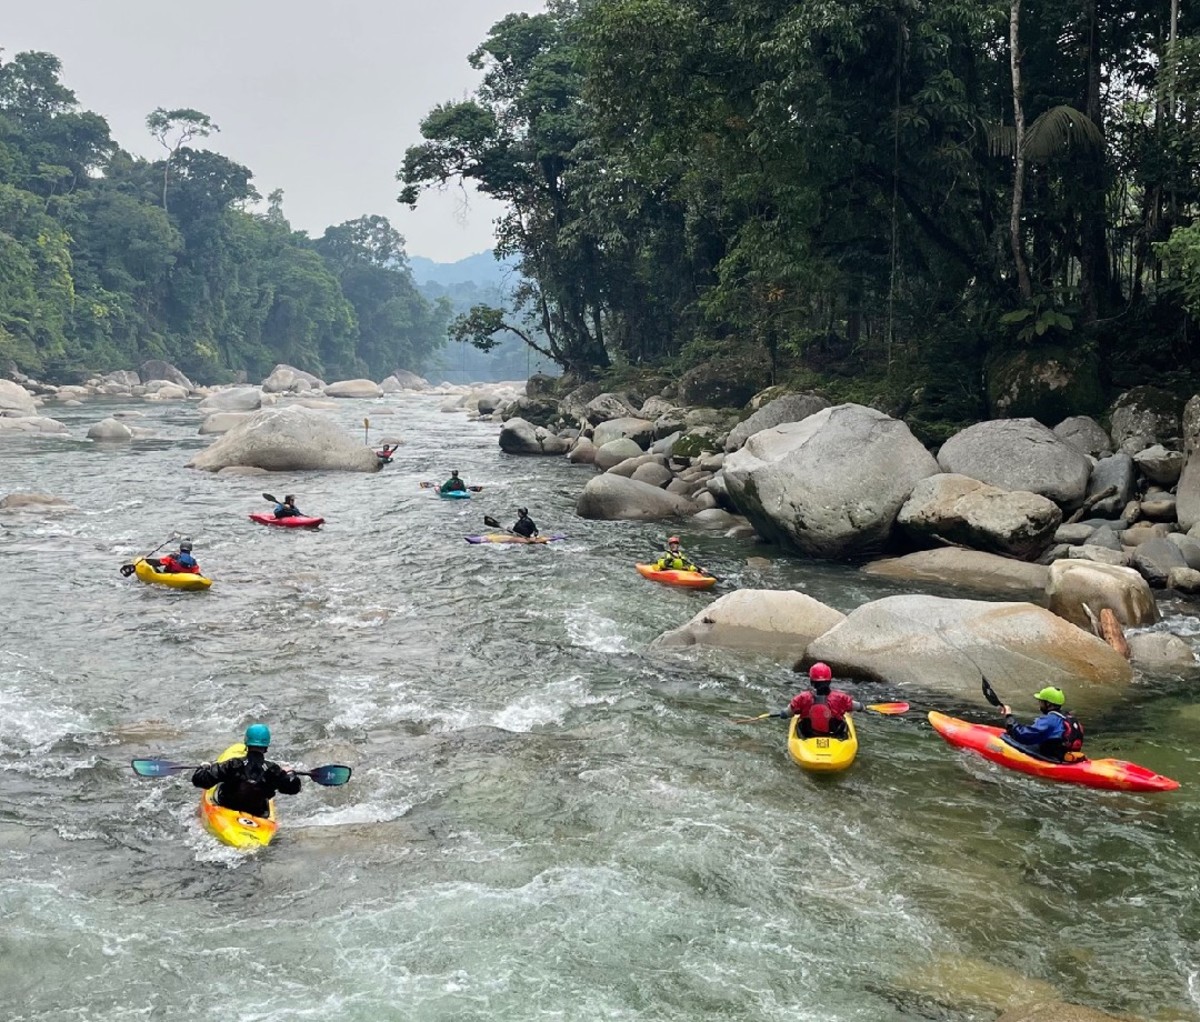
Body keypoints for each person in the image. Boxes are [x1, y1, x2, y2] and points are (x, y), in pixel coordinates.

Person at [190, 723, 303, 818]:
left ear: (247, 742)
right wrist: (289, 773)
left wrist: (204, 767)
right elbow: (293, 788)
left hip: (227, 805)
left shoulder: (233, 764)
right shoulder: (273, 769)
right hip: (257, 811)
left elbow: (200, 780)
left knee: (219, 787)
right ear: (266, 744)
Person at [780, 662, 864, 740]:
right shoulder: (841, 697)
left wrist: (783, 713)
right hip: (834, 737)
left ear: (811, 681)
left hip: (808, 737)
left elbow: (787, 713)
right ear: (829, 681)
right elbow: (857, 706)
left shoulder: (802, 698)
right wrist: (862, 707)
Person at [999, 687, 1085, 762]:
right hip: (1067, 756)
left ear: (1048, 704)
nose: (1039, 704)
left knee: (1007, 737)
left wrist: (1008, 717)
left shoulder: (1050, 720)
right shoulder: (1070, 717)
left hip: (1053, 758)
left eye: (1041, 701)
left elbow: (1022, 735)